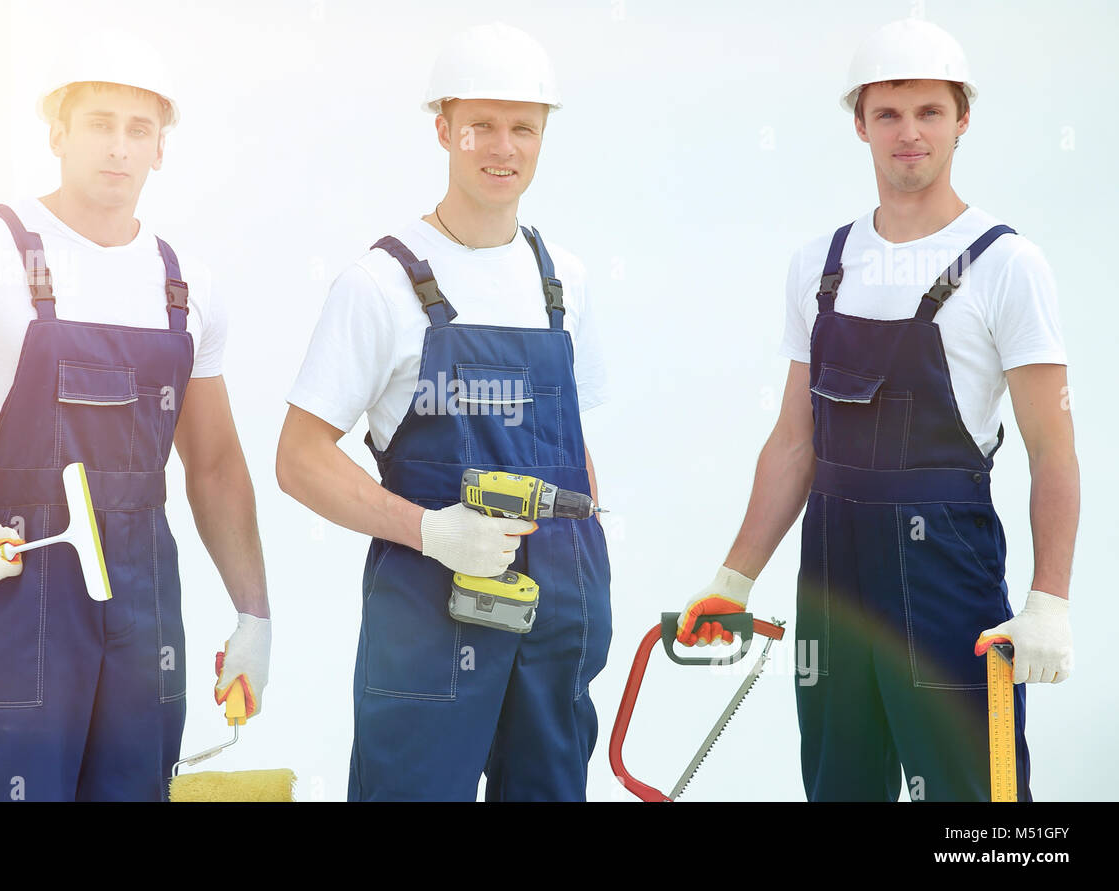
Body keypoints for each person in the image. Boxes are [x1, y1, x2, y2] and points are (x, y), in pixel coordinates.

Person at [0, 32, 272, 802]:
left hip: (148, 589)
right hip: (27, 572)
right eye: (99, 122)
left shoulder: (186, 284)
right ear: (57, 131)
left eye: (140, 129)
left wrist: (254, 613)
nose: (119, 147)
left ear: (161, 147)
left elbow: (215, 464)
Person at [675, 18, 1077, 801]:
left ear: (963, 119)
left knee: (975, 808)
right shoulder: (822, 263)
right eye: (888, 113)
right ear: (859, 121)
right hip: (831, 573)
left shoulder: (1008, 266)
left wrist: (1050, 600)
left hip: (946, 573)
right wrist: (734, 578)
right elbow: (794, 442)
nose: (909, 133)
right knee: (838, 787)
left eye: (930, 111)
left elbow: (1052, 447)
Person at [276, 22, 612, 801]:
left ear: (543, 135)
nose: (503, 146)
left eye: (522, 127)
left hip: (558, 614)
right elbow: (298, 457)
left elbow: (575, 446)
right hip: (430, 616)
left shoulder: (565, 280)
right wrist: (431, 530)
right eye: (481, 126)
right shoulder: (381, 284)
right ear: (444, 131)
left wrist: (587, 577)